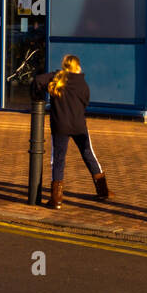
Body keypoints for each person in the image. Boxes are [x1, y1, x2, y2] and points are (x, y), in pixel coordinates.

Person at [41, 54, 109, 208]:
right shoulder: (82, 84)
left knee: (58, 159)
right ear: (77, 66)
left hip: (60, 126)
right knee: (88, 153)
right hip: (79, 125)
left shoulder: (57, 79)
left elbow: (38, 81)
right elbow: (85, 102)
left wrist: (37, 95)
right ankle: (103, 190)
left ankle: (57, 199)